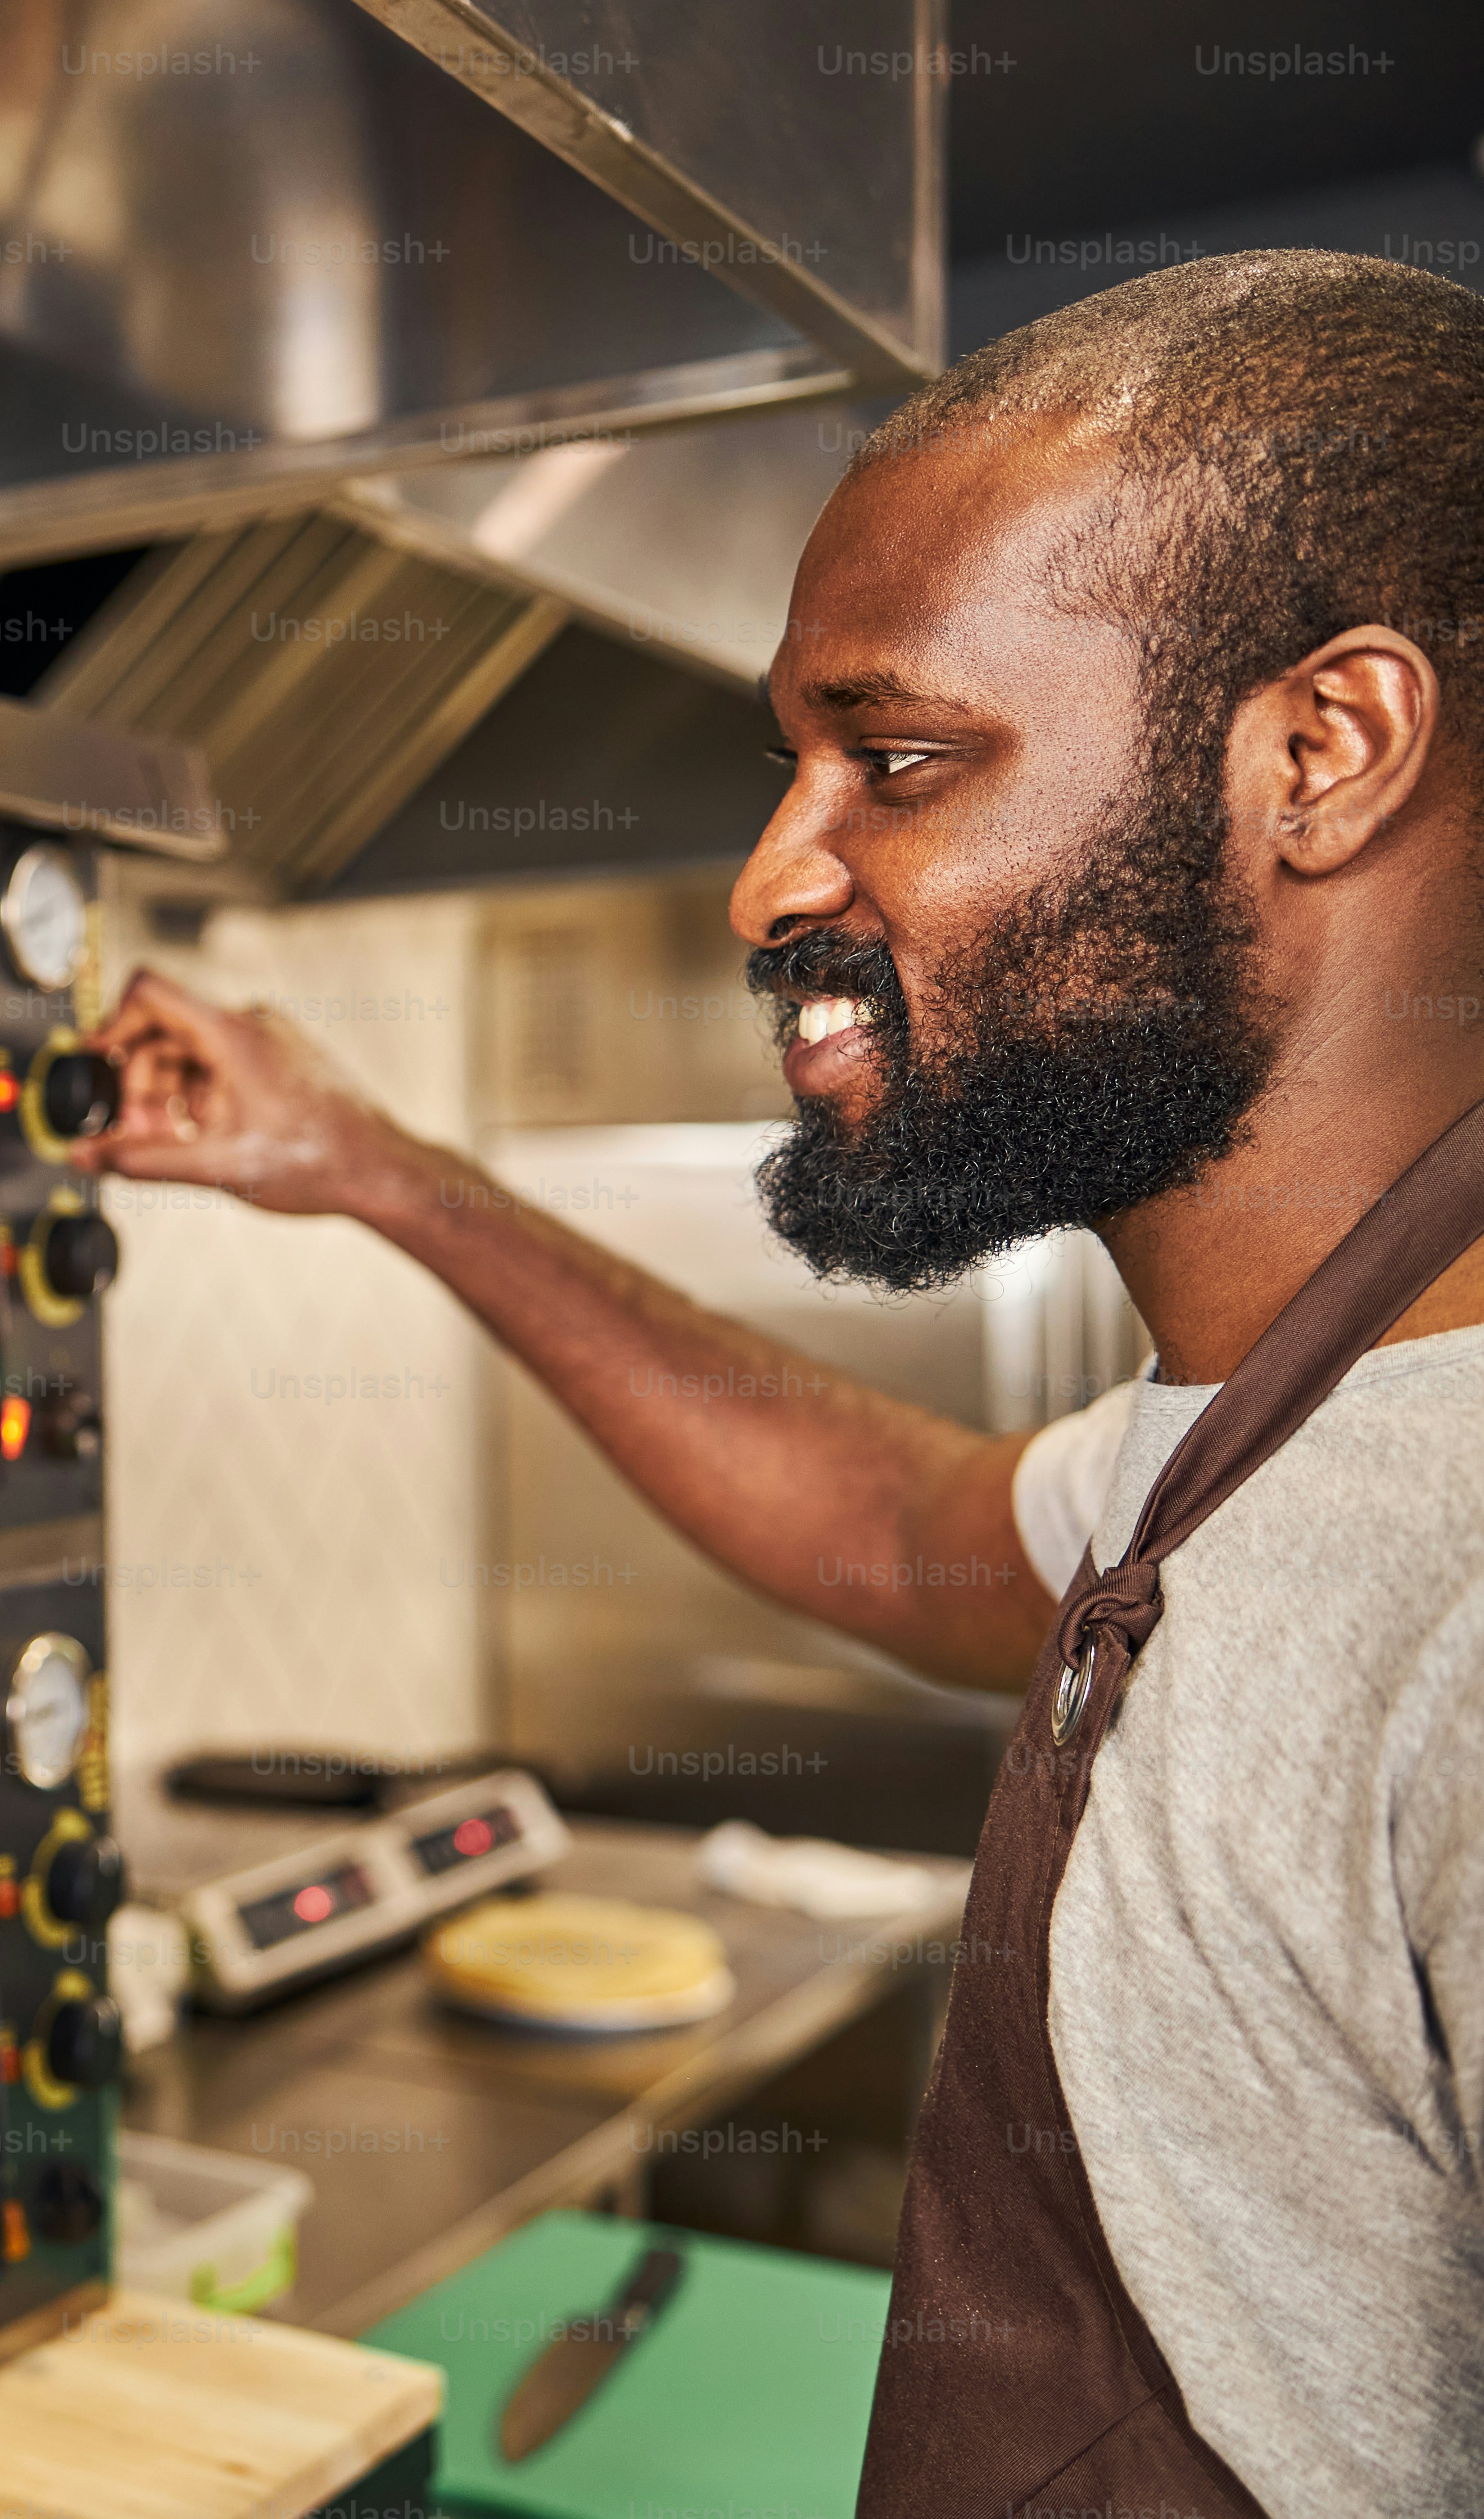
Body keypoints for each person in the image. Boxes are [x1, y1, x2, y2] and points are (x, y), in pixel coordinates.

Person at [75, 250, 1484, 2519]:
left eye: (899, 759)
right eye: (790, 762)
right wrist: (371, 1170)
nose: (771, 880)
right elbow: (900, 1530)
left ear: (1319, 753)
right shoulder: (1245, 1445)